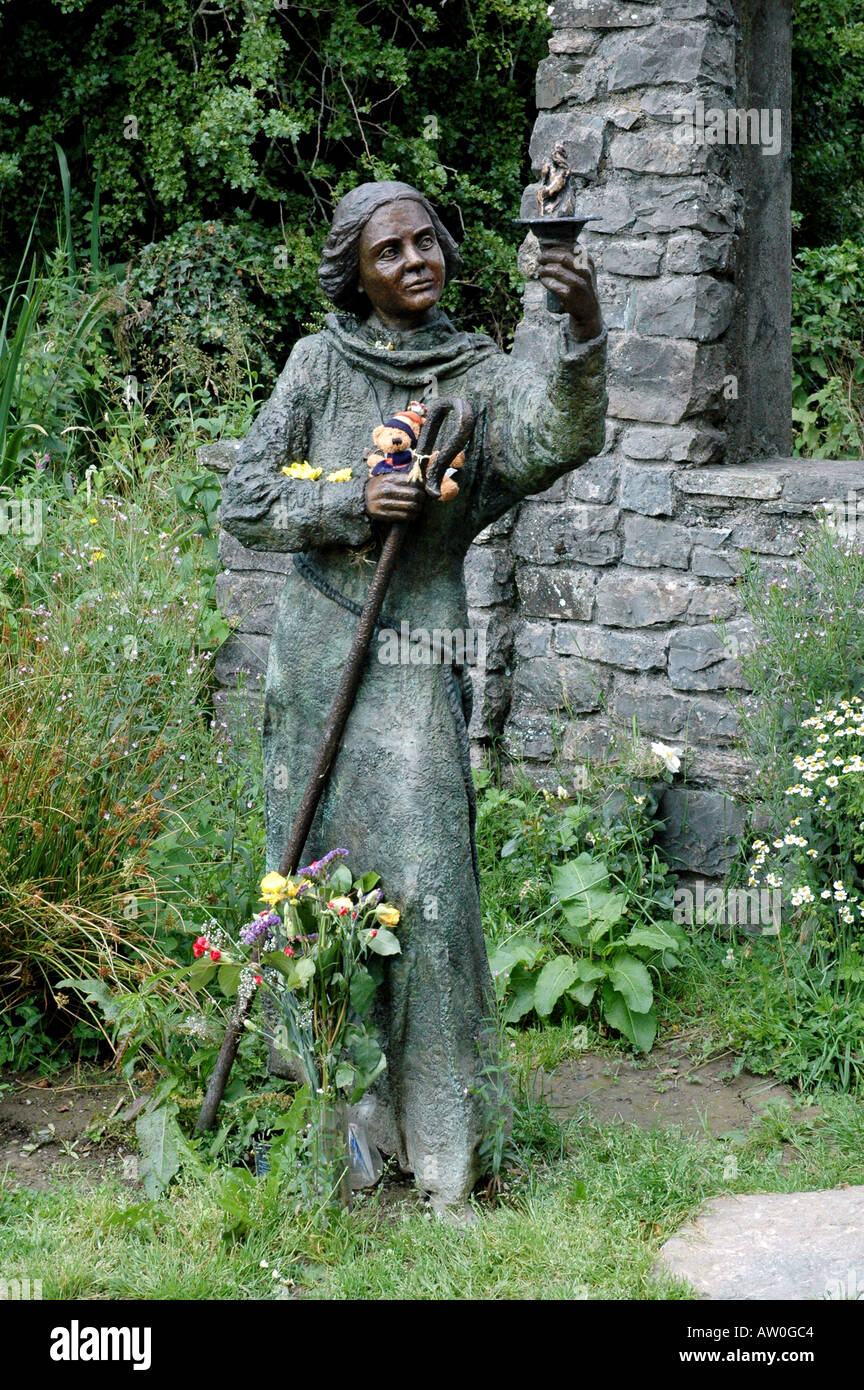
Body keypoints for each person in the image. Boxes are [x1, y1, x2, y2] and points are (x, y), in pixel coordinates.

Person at [219, 180, 607, 1211]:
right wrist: (353, 495)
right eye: (388, 252)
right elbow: (248, 497)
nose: (413, 262)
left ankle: (443, 1145)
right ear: (357, 272)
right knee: (309, 887)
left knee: (428, 884)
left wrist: (582, 323)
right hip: (314, 655)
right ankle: (342, 1130)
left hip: (414, 644)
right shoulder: (317, 364)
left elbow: (557, 432)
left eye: (424, 243)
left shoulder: (476, 376)